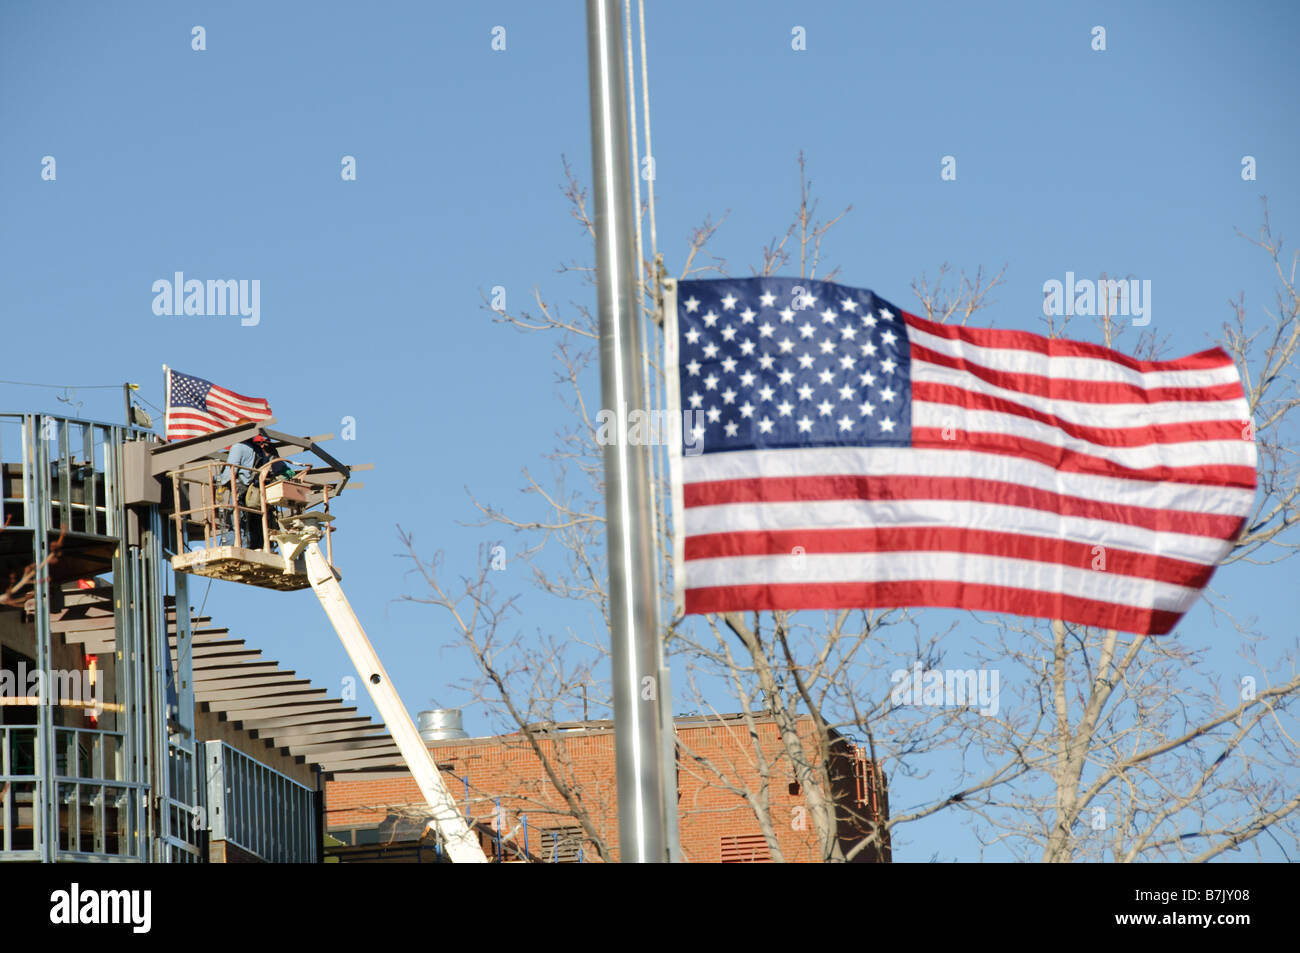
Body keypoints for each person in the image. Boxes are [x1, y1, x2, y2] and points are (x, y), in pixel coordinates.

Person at [224, 418, 264, 549]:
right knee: (254, 521)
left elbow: (230, 472)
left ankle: (233, 546)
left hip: (240, 489)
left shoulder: (238, 447)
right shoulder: (259, 450)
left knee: (234, 520)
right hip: (255, 492)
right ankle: (257, 546)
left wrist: (217, 481)